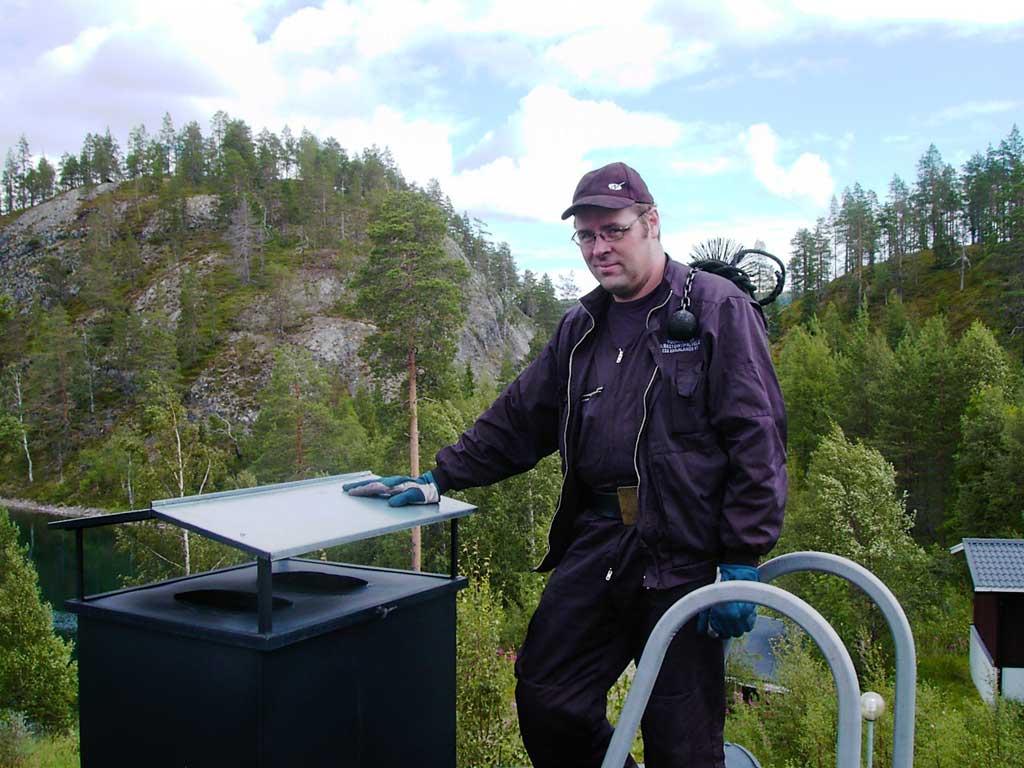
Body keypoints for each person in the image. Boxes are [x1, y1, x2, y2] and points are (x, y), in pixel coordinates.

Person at [346, 161, 787, 768]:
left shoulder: (717, 309)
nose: (599, 248)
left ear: (651, 222)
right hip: (602, 541)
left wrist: (743, 557)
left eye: (613, 230)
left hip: (686, 551)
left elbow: (757, 437)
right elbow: (520, 418)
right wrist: (438, 476)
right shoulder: (581, 328)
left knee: (682, 742)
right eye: (586, 235)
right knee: (547, 695)